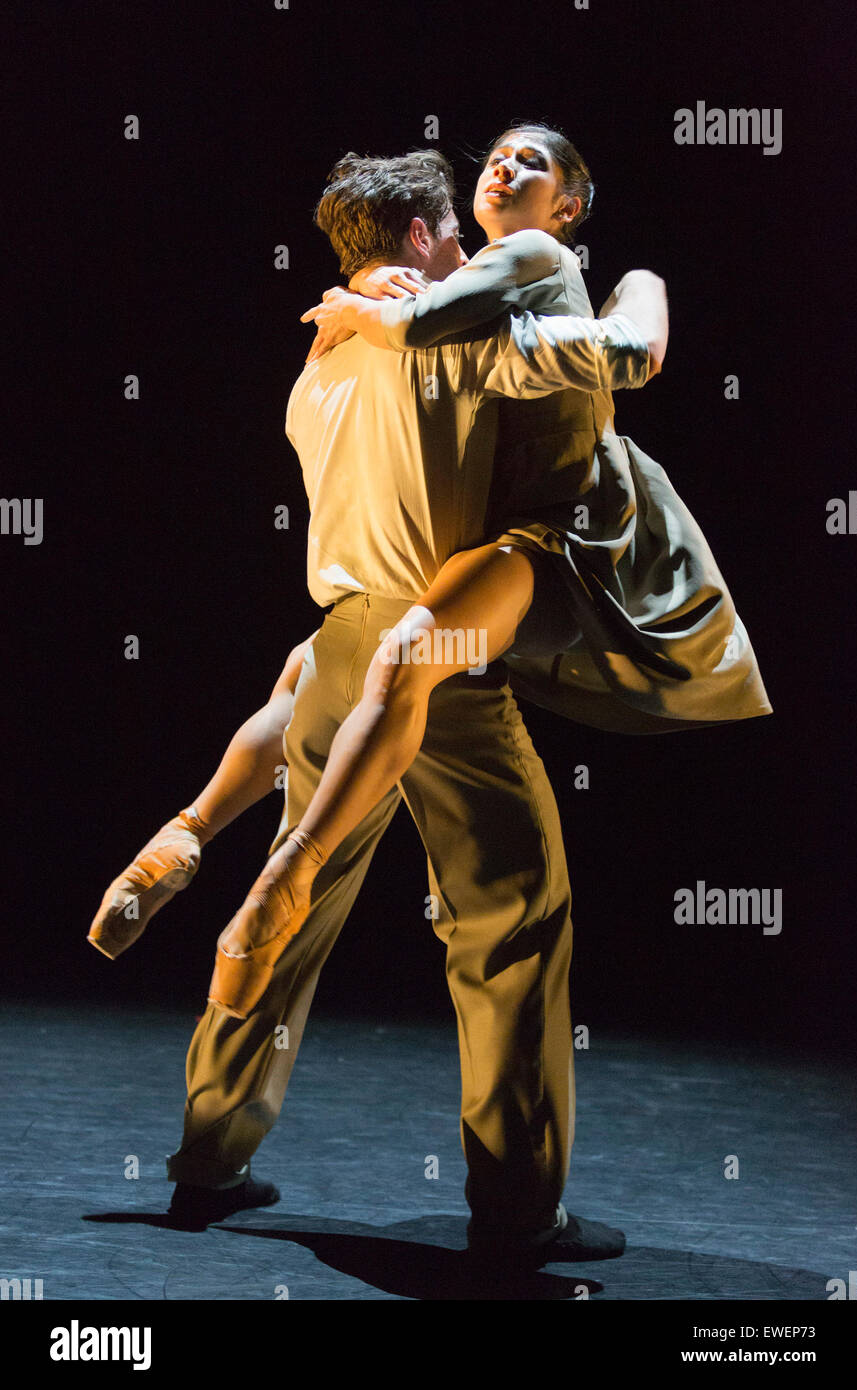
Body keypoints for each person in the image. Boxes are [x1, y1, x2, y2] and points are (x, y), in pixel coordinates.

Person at [88, 123, 769, 967]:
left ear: (570, 206)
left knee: (331, 672)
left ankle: (204, 836)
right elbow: (489, 350)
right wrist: (390, 309)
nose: (504, 167)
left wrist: (368, 304)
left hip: (525, 550)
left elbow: (595, 349)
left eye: (534, 162)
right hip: (493, 558)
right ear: (425, 232)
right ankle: (248, 861)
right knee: (347, 679)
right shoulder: (449, 313)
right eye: (496, 158)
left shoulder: (390, 329)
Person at [156, 147, 664, 1257]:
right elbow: (609, 365)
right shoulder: (454, 334)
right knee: (510, 925)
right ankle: (521, 1210)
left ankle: (207, 1159)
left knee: (296, 914)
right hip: (438, 649)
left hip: (337, 643)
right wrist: (633, 294)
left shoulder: (319, 362)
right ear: (430, 237)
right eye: (456, 235)